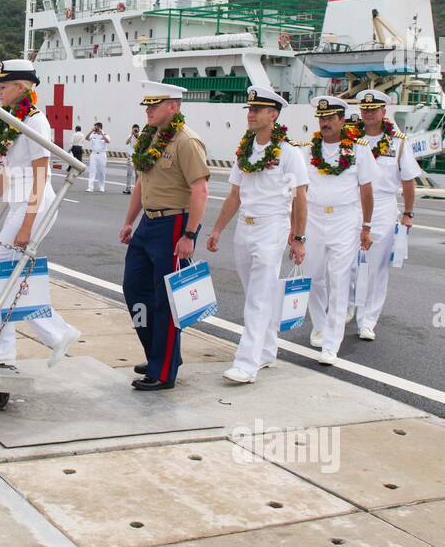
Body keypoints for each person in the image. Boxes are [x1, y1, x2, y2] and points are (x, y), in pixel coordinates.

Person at [0, 60, 81, 368]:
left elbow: (40, 176)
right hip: (20, 207)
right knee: (9, 274)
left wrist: (27, 225)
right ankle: (55, 334)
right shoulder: (12, 122)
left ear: (21, 88)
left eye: (3, 86)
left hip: (35, 207)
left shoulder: (35, 122)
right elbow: (8, 172)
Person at [207, 86, 309, 384]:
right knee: (256, 292)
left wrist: (299, 238)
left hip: (272, 227)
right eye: (249, 109)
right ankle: (266, 350)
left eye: (257, 110)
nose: (250, 114)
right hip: (244, 226)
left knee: (258, 298)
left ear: (273, 114)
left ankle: (246, 364)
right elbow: (234, 196)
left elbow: (300, 198)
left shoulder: (289, 153)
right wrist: (217, 229)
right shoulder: (245, 151)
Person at [118, 81, 211, 391]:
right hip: (148, 223)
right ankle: (159, 355)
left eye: (155, 105)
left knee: (167, 300)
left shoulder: (186, 141)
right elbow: (142, 183)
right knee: (134, 289)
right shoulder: (150, 138)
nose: (148, 110)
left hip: (174, 224)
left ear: (173, 106)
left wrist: (189, 235)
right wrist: (129, 221)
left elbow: (200, 190)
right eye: (147, 105)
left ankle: (163, 371)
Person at [303, 96, 374, 366]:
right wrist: (295, 228)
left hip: (344, 219)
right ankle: (320, 325)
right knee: (312, 276)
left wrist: (366, 226)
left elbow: (366, 190)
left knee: (339, 279)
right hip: (313, 217)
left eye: (331, 117)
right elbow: (300, 190)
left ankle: (331, 344)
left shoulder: (359, 150)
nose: (325, 122)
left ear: (342, 120)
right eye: (322, 118)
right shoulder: (309, 150)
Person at [347, 88, 422, 340]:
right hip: (351, 203)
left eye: (373, 109)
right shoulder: (350, 138)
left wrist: (408, 213)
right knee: (346, 262)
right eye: (364, 109)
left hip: (382, 206)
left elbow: (408, 180)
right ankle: (347, 305)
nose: (368, 114)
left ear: (383, 111)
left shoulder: (397, 142)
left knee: (376, 267)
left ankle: (367, 320)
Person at [86, 122, 111, 192]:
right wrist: (91, 131)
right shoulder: (93, 134)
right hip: (93, 154)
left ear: (100, 128)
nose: (95, 129)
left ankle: (101, 186)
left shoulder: (105, 134)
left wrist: (101, 134)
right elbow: (86, 138)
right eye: (94, 127)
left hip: (102, 154)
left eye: (96, 127)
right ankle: (90, 187)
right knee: (92, 170)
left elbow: (108, 141)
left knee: (101, 171)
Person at [124, 123, 140, 194]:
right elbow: (127, 142)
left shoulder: (141, 136)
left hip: (138, 157)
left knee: (137, 174)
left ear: (139, 130)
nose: (135, 131)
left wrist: (137, 135)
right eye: (134, 129)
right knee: (129, 173)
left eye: (136, 130)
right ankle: (128, 188)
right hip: (131, 156)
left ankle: (137, 190)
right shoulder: (130, 136)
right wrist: (131, 134)